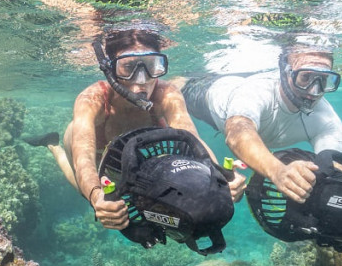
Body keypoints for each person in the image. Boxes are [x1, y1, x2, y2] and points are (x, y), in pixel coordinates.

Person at [29, 28, 246, 231]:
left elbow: (191, 138)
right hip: (92, 148)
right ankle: (53, 145)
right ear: (110, 68)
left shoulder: (167, 94)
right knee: (85, 190)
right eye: (128, 67)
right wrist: (96, 197)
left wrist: (218, 175)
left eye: (152, 66)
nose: (141, 81)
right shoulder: (92, 98)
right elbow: (83, 159)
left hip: (134, 155)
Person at [177, 41, 342, 205]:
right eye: (305, 77)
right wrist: (278, 171)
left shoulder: (327, 119)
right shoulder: (256, 92)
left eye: (323, 79)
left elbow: (334, 167)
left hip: (239, 91)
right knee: (179, 86)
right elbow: (237, 133)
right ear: (285, 72)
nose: (313, 91)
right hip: (209, 94)